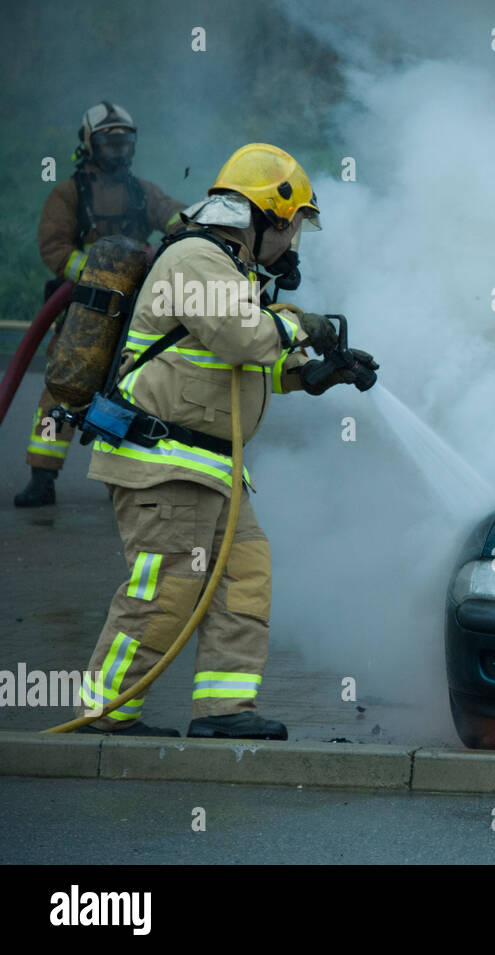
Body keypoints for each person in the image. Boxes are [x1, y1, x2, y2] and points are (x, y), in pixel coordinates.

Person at [74, 142, 377, 739]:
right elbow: (242, 338)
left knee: (244, 579)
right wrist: (301, 323)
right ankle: (103, 715)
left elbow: (232, 364)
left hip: (212, 468)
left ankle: (224, 711)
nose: (293, 245)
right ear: (265, 216)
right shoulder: (195, 257)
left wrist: (310, 374)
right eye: (291, 229)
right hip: (165, 461)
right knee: (165, 589)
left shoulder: (231, 270)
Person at [16, 102, 186, 507]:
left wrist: (193, 231)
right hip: (84, 310)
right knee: (64, 386)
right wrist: (93, 272)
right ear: (89, 145)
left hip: (134, 310)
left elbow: (175, 216)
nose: (119, 152)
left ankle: (123, 478)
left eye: (124, 143)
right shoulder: (69, 193)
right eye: (109, 143)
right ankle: (42, 477)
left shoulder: (142, 192)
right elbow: (54, 247)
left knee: (129, 388)